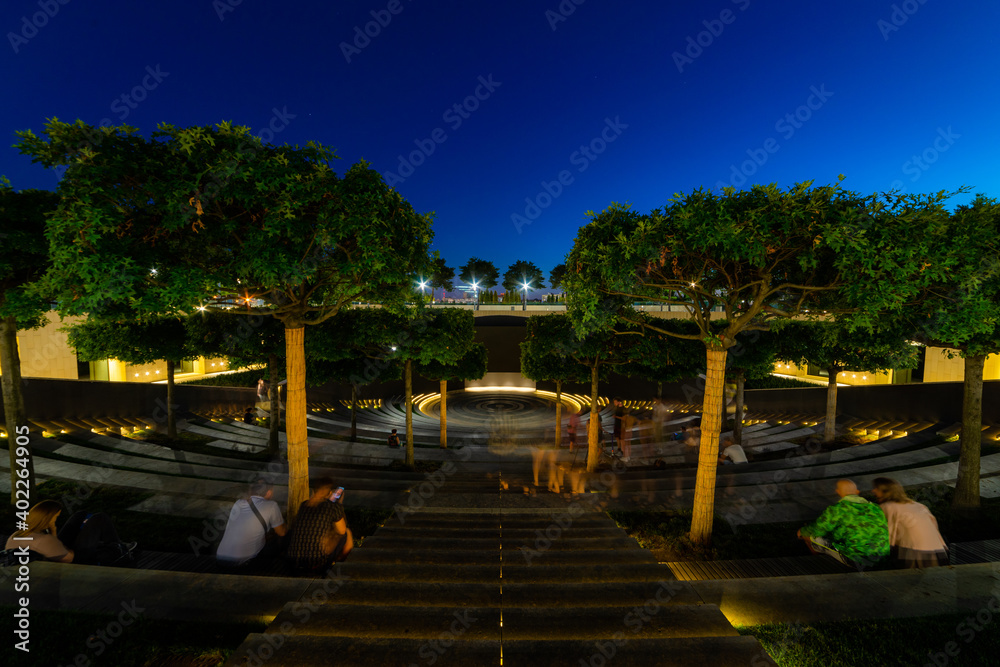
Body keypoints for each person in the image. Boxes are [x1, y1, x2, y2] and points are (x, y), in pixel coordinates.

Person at [5, 500, 135, 566]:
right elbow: (72, 558)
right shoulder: (44, 540)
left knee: (80, 515)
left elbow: (50, 547)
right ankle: (119, 548)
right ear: (46, 519)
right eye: (54, 519)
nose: (55, 522)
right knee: (99, 518)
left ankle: (116, 545)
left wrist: (54, 534)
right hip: (76, 560)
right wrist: (73, 540)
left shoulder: (16, 534)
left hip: (50, 554)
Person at [797, 479, 889, 569]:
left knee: (810, 536)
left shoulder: (838, 509)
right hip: (881, 559)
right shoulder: (876, 508)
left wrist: (802, 531)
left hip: (857, 560)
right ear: (857, 491)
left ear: (838, 492)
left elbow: (817, 530)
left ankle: (816, 567)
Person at [872, 477, 948, 568]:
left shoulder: (887, 507)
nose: (873, 491)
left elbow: (886, 533)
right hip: (938, 551)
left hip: (913, 552)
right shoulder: (919, 506)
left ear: (885, 491)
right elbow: (934, 526)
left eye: (876, 488)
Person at [286, 477, 353, 573]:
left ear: (313, 491)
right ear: (330, 493)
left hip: (293, 561)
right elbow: (342, 531)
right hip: (316, 564)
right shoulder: (332, 506)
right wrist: (339, 505)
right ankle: (338, 567)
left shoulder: (303, 505)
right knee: (346, 533)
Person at [216, 478, 287, 569]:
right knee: (282, 539)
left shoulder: (238, 503)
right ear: (269, 493)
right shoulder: (271, 505)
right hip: (244, 564)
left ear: (251, 491)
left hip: (221, 559)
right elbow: (282, 532)